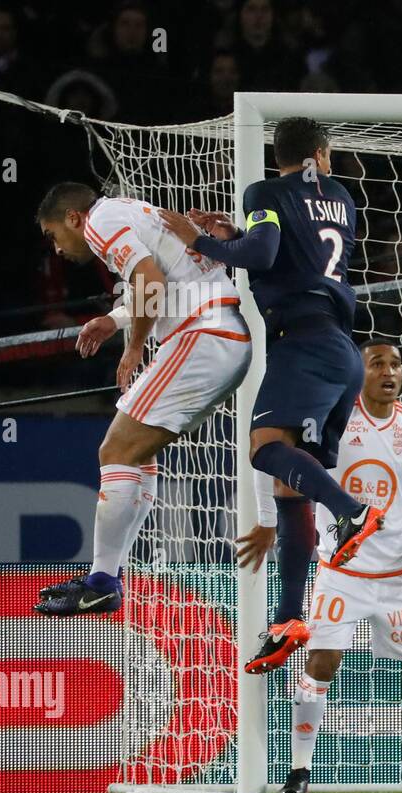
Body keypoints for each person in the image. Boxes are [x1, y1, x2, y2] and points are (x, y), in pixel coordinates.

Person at [158, 117, 383, 673]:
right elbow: (288, 250)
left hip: (303, 343)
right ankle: (287, 618)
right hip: (340, 349)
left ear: (279, 154)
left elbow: (262, 255)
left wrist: (202, 241)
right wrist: (238, 233)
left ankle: (352, 513)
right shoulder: (340, 196)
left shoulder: (265, 191)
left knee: (263, 448)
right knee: (289, 484)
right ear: (321, 155)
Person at [239, 340, 402, 793]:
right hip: (340, 572)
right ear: (356, 373)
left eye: (397, 365)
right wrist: (267, 520)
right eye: (377, 364)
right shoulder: (332, 421)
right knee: (320, 663)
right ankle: (299, 772)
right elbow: (268, 459)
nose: (390, 372)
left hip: (400, 575)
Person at [33, 182, 250, 615]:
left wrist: (134, 347)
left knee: (115, 448)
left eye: (53, 235)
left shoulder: (99, 222)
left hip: (202, 336)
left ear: (74, 218)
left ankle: (103, 580)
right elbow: (163, 276)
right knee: (133, 455)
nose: (56, 250)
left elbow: (149, 278)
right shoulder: (132, 210)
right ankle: (105, 578)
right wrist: (115, 320)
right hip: (223, 336)